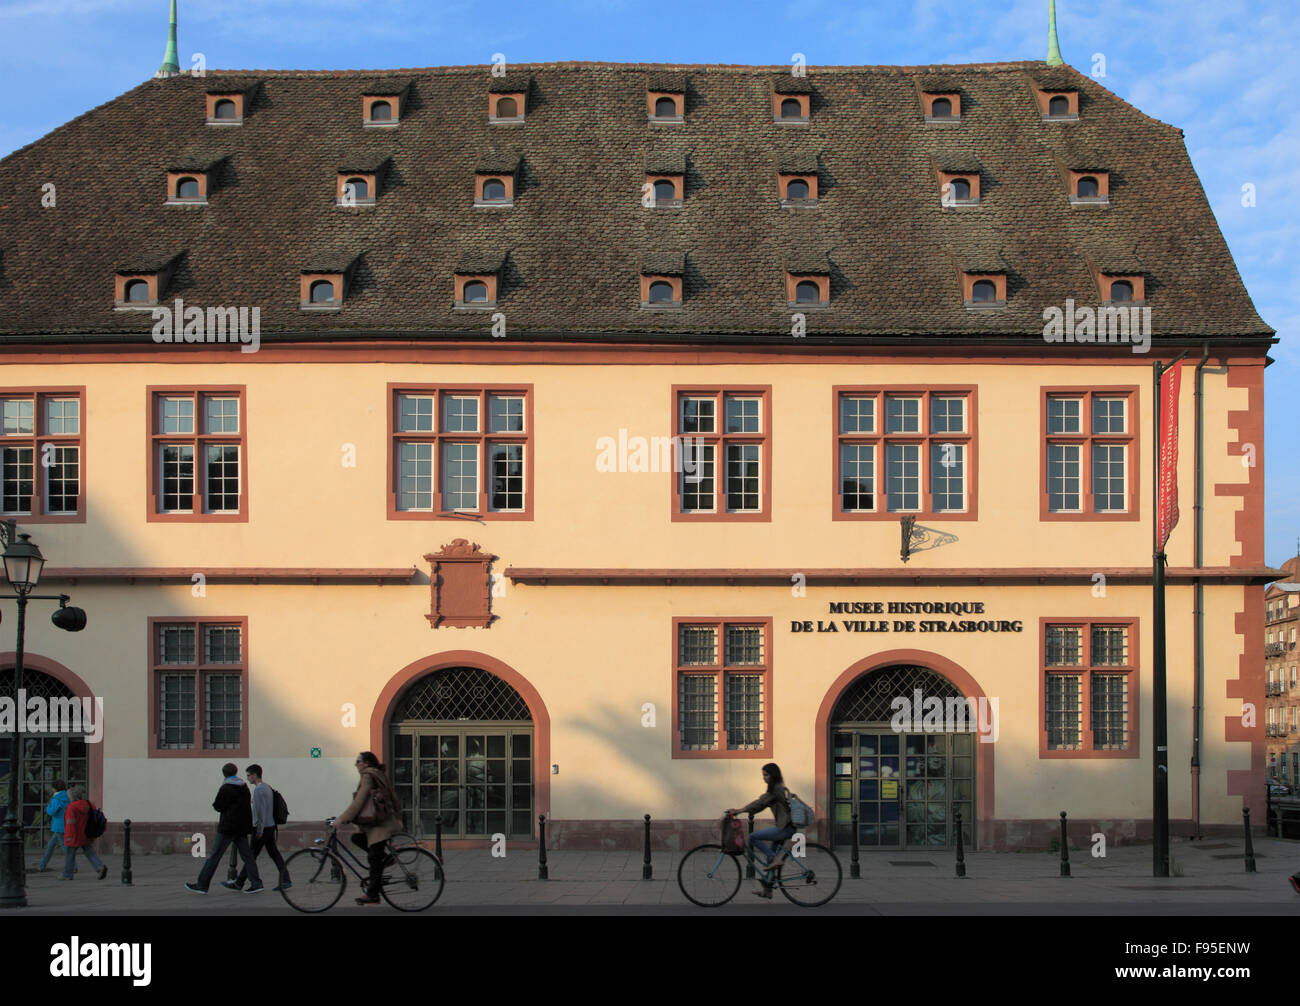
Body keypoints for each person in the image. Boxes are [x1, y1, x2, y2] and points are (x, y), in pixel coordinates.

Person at [333, 751, 403, 906]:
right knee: (357, 838)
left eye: (358, 761)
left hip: (381, 825)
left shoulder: (368, 776)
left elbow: (359, 800)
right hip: (383, 821)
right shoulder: (378, 773)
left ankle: (373, 894)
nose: (356, 764)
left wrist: (342, 819)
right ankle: (386, 860)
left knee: (374, 858)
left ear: (366, 763)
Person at [185, 762, 263, 895]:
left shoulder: (226, 788)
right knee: (248, 857)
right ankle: (256, 883)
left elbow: (218, 806)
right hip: (241, 827)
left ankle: (202, 885)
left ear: (224, 774)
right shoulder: (244, 786)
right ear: (236, 772)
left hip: (227, 828)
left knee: (214, 856)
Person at [726, 762, 795, 900]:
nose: (764, 778)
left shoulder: (776, 790)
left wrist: (739, 810)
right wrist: (744, 810)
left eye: (766, 775)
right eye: (763, 775)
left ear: (773, 775)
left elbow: (760, 802)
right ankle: (767, 890)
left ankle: (777, 859)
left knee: (753, 837)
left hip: (785, 828)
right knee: (769, 856)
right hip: (786, 826)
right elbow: (760, 806)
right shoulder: (776, 789)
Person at [222, 764, 290, 892]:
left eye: (248, 775)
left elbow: (260, 812)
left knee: (251, 856)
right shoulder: (267, 787)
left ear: (254, 775)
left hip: (262, 828)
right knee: (273, 854)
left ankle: (242, 883)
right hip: (270, 826)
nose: (247, 778)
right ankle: (285, 880)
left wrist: (259, 830)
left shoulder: (259, 790)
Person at [61, 785, 108, 880]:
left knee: (70, 854)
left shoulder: (71, 807)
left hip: (74, 835)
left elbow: (70, 823)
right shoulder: (89, 804)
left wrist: (68, 837)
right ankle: (99, 867)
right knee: (90, 853)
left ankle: (67, 874)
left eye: (69, 796)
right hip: (87, 834)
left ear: (72, 797)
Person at [36, 779, 71, 873]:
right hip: (64, 824)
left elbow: (53, 811)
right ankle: (42, 865)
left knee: (64, 848)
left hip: (58, 826)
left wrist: (47, 808)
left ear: (55, 788)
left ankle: (72, 866)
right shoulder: (66, 797)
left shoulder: (56, 798)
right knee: (50, 846)